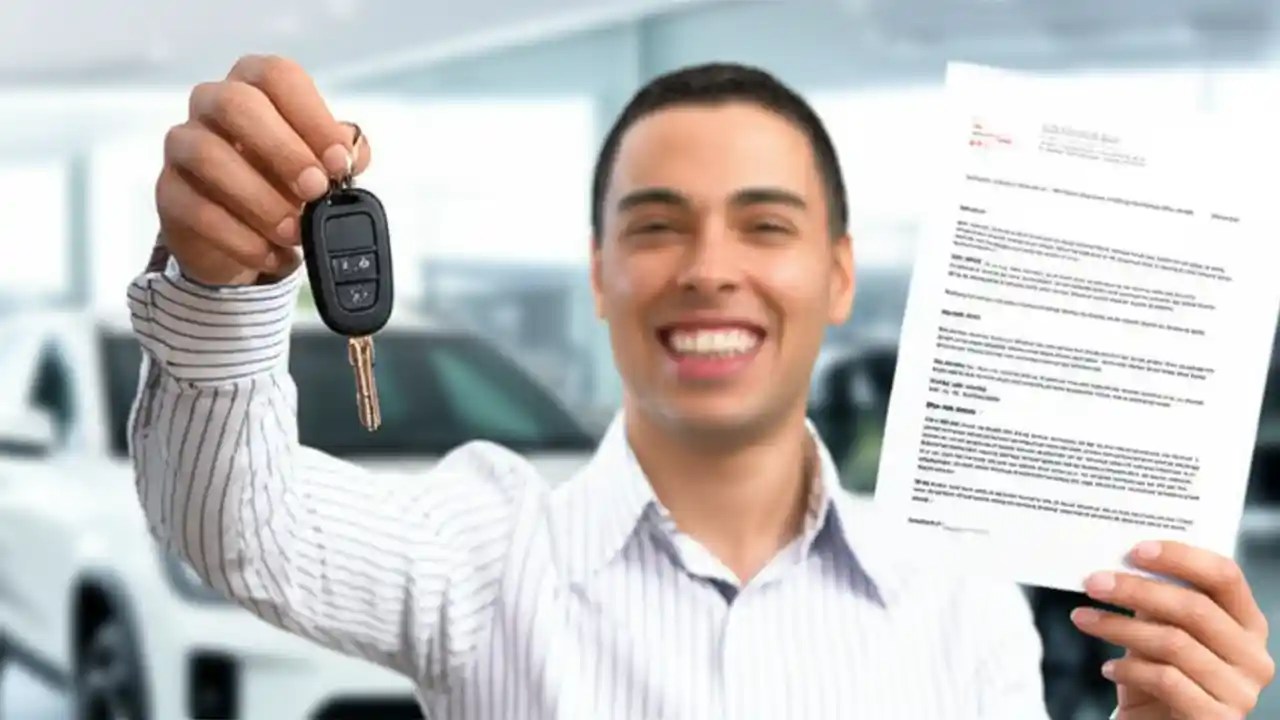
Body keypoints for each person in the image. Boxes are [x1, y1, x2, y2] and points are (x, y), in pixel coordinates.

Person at [126, 54, 1274, 719]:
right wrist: (222, 291)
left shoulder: (961, 604)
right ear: (598, 275)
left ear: (835, 274)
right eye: (657, 225)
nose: (710, 268)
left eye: (763, 225)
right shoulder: (480, 546)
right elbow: (239, 528)